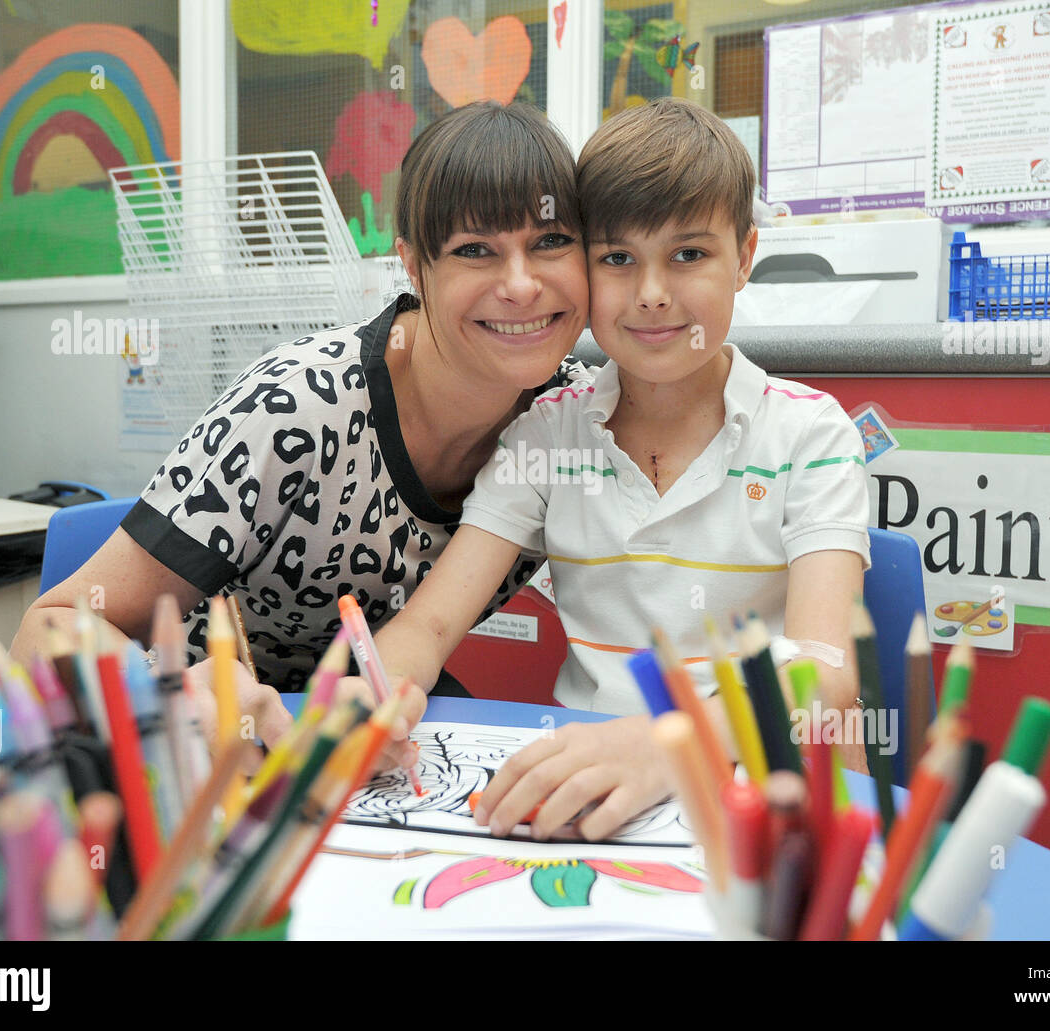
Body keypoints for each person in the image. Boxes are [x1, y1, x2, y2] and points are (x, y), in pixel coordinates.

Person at [10, 101, 591, 773]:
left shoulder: (569, 420)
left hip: (375, 730)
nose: (521, 284)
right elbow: (44, 629)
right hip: (208, 748)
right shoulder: (296, 411)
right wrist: (161, 693)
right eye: (473, 251)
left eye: (550, 242)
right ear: (412, 265)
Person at [347, 98, 871, 839]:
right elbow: (429, 625)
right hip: (587, 800)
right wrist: (379, 691)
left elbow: (828, 669)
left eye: (688, 255)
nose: (653, 292)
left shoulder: (812, 433)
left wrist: (668, 742)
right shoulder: (548, 432)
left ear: (746, 256)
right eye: (618, 258)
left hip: (754, 795)